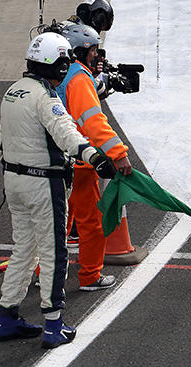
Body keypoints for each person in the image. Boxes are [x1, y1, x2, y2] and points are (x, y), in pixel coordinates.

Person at [0, 32, 117, 349]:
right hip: (43, 184)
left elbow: (1, 141)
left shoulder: (13, 92)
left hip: (13, 181)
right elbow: (67, 134)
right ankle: (53, 325)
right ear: (57, 64)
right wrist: (95, 157)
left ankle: (6, 317)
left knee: (23, 249)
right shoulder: (45, 97)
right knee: (54, 252)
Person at [56, 23, 133, 292]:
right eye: (93, 50)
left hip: (56, 159)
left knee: (58, 222)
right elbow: (93, 121)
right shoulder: (78, 78)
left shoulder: (60, 74)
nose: (97, 56)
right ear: (80, 51)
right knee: (91, 223)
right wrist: (119, 154)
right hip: (80, 161)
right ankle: (90, 276)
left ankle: (46, 274)